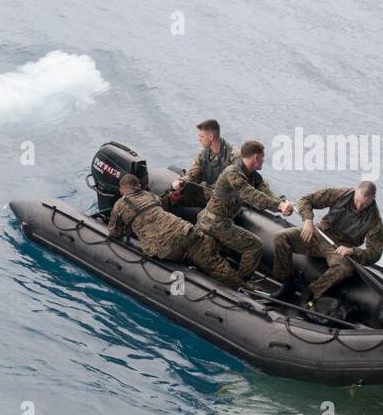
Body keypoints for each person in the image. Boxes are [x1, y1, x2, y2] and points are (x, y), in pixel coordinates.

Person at [108, 174, 242, 288]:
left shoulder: (120, 205)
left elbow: (114, 232)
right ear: (139, 186)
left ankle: (194, 265)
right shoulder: (151, 196)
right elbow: (162, 207)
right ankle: (243, 288)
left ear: (121, 190)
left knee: (182, 254)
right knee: (214, 260)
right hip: (185, 231)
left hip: (162, 248)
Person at [272, 180, 383, 305]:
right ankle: (287, 281)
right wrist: (308, 220)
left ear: (373, 198)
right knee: (281, 238)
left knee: (344, 268)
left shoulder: (374, 220)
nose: (358, 206)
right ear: (355, 191)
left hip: (340, 248)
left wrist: (352, 251)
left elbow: (375, 253)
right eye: (357, 200)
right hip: (320, 234)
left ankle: (310, 292)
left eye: (364, 204)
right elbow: (306, 200)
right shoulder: (341, 194)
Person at [195, 141, 294, 282]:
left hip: (221, 222)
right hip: (215, 222)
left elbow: (266, 192)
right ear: (256, 157)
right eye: (263, 157)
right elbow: (252, 195)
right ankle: (240, 282)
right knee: (254, 246)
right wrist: (278, 206)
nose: (264, 160)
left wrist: (282, 203)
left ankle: (227, 269)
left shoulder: (252, 175)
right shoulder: (233, 173)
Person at [162, 119, 240, 209]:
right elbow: (193, 174)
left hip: (223, 200)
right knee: (169, 199)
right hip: (207, 194)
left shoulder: (234, 156)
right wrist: (181, 181)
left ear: (211, 137)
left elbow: (236, 186)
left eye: (201, 136)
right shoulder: (203, 155)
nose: (199, 139)